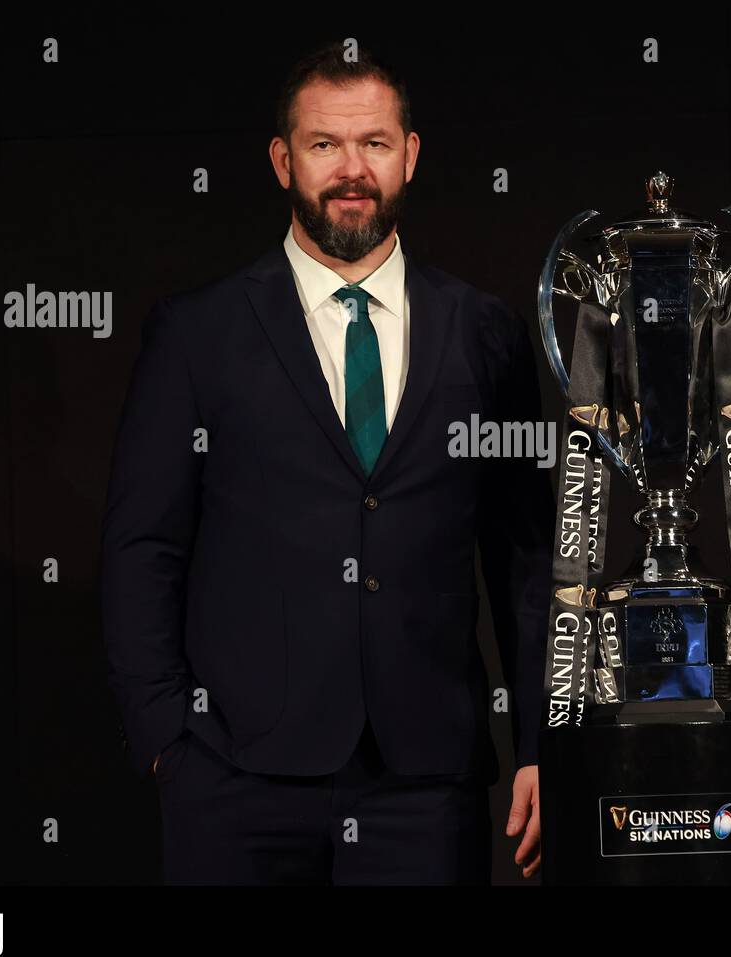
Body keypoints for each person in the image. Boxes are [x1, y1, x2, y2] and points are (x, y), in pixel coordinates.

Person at [100, 40, 554, 884]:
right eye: (324, 145)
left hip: (426, 785)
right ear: (282, 161)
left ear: (410, 155)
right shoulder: (197, 334)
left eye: (375, 143)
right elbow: (142, 549)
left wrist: (538, 744)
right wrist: (167, 738)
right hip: (234, 781)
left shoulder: (486, 331)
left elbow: (526, 556)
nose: (353, 170)